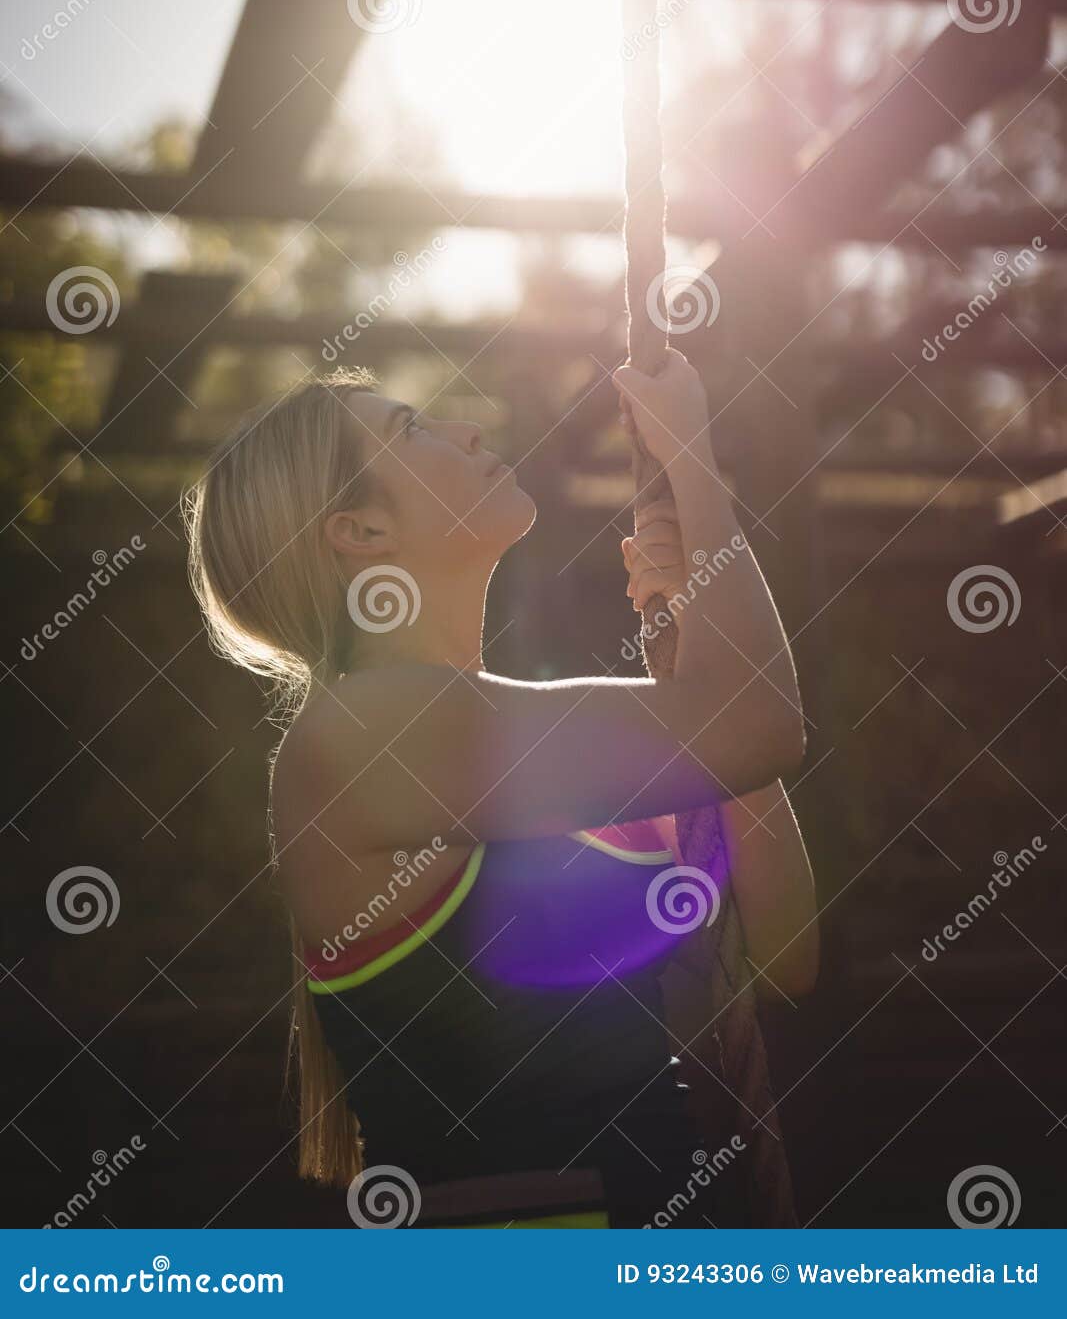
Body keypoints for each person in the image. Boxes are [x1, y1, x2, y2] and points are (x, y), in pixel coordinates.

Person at [184, 352, 816, 1228]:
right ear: (359, 533)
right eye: (411, 429)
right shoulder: (363, 729)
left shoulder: (506, 737)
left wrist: (694, 638)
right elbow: (760, 724)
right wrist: (692, 462)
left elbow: (787, 954)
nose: (466, 427)